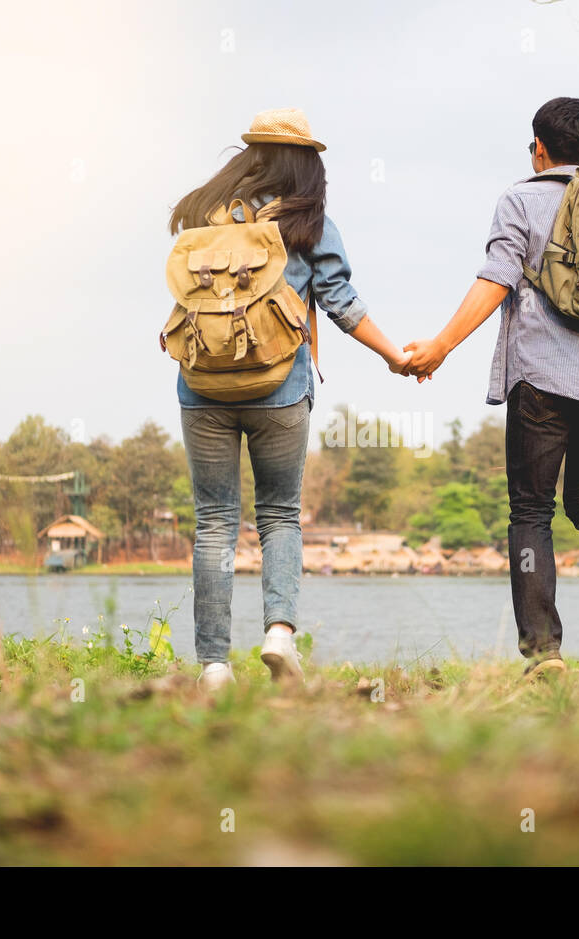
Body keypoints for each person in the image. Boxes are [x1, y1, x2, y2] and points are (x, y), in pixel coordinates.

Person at [403, 97, 579, 678]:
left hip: (541, 380)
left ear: (539, 149)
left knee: (531, 510)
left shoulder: (520, 199)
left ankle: (544, 653)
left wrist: (441, 346)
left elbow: (496, 280)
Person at [169, 108, 410, 692]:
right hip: (280, 387)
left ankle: (213, 668)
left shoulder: (202, 210)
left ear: (254, 154)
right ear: (306, 162)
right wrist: (395, 356)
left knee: (215, 524)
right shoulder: (307, 221)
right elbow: (340, 301)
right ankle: (278, 636)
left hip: (203, 384)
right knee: (278, 515)